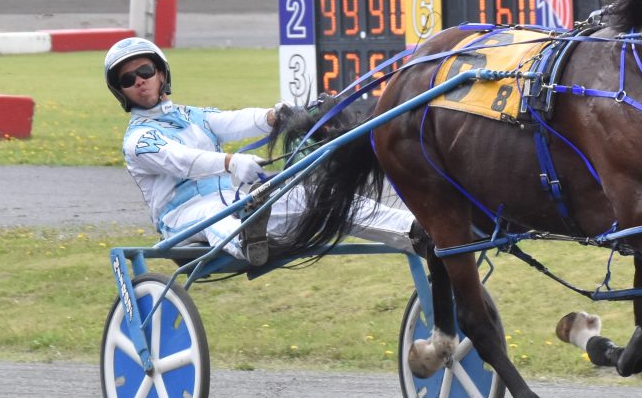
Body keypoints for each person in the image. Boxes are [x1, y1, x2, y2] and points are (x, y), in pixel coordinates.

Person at [105, 37, 412, 266]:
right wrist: (230, 162)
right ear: (121, 91)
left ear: (161, 74)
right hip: (183, 216)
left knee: (321, 198)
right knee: (215, 217)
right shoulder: (139, 140)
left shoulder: (192, 115)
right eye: (128, 79)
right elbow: (182, 160)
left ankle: (412, 230)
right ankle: (250, 243)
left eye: (144, 70)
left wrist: (276, 116)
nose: (139, 81)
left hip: (236, 199)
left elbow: (233, 120)